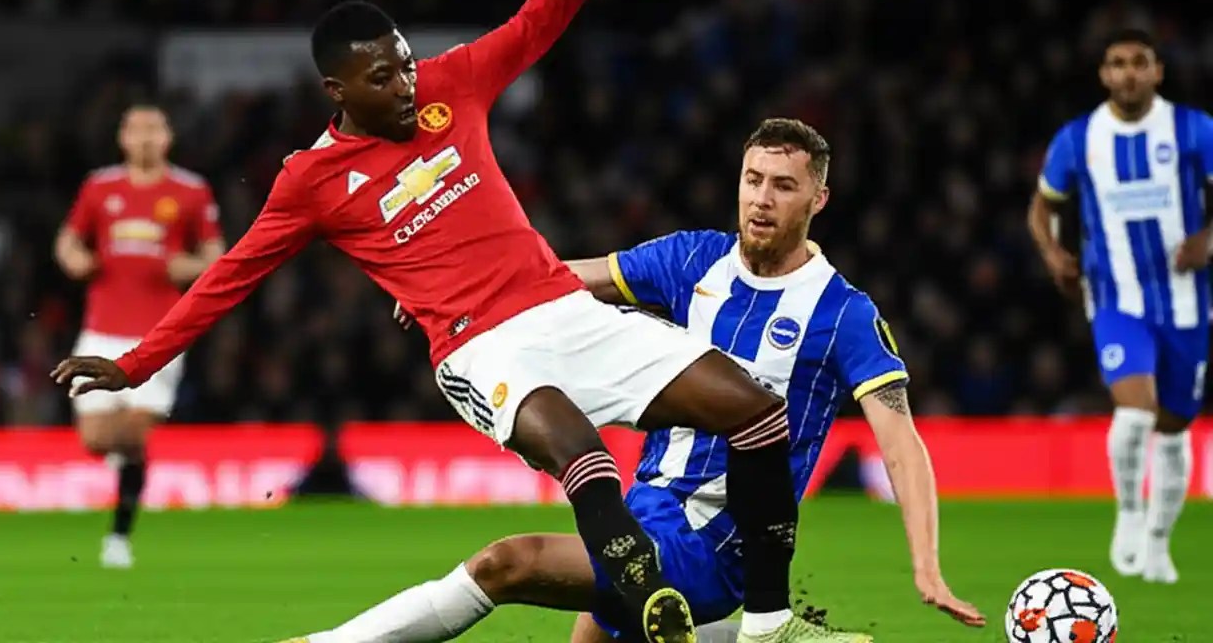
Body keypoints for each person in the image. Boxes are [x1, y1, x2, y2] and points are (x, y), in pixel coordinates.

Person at [52, 0, 850, 641]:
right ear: (339, 92)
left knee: (755, 413)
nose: (405, 85)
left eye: (403, 64)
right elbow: (231, 276)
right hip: (478, 347)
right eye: (382, 77)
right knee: (580, 451)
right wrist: (136, 364)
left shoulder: (448, 85)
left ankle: (769, 625)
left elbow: (529, 30)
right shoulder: (310, 181)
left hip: (564, 308)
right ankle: (648, 601)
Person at [291, 119, 984, 643]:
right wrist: (449, 291)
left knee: (509, 563)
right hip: (640, 514)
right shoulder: (694, 260)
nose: (763, 199)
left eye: (784, 185)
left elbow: (900, 442)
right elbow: (556, 280)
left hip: (715, 547)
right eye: (753, 180)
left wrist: (926, 564)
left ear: (818, 199)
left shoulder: (843, 314)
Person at [1028, 28, 1213, 584]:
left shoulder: (1193, 129)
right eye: (1117, 63)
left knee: (1175, 427)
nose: (1128, 73)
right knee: (1134, 414)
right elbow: (1043, 206)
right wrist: (1053, 252)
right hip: (1115, 297)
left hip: (1186, 303)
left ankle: (1159, 540)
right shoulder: (1079, 138)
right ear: (1104, 74)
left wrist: (1208, 238)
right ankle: (1130, 514)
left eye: (1139, 63)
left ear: (1158, 71)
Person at [53, 103, 225, 568]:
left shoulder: (189, 191)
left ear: (168, 137)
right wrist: (74, 260)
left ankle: (119, 535)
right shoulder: (100, 187)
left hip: (159, 337)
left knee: (133, 432)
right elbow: (68, 239)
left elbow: (216, 255)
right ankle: (126, 470)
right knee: (94, 440)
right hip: (101, 331)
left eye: (154, 129)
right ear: (122, 138)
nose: (146, 137)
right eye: (136, 129)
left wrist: (185, 267)